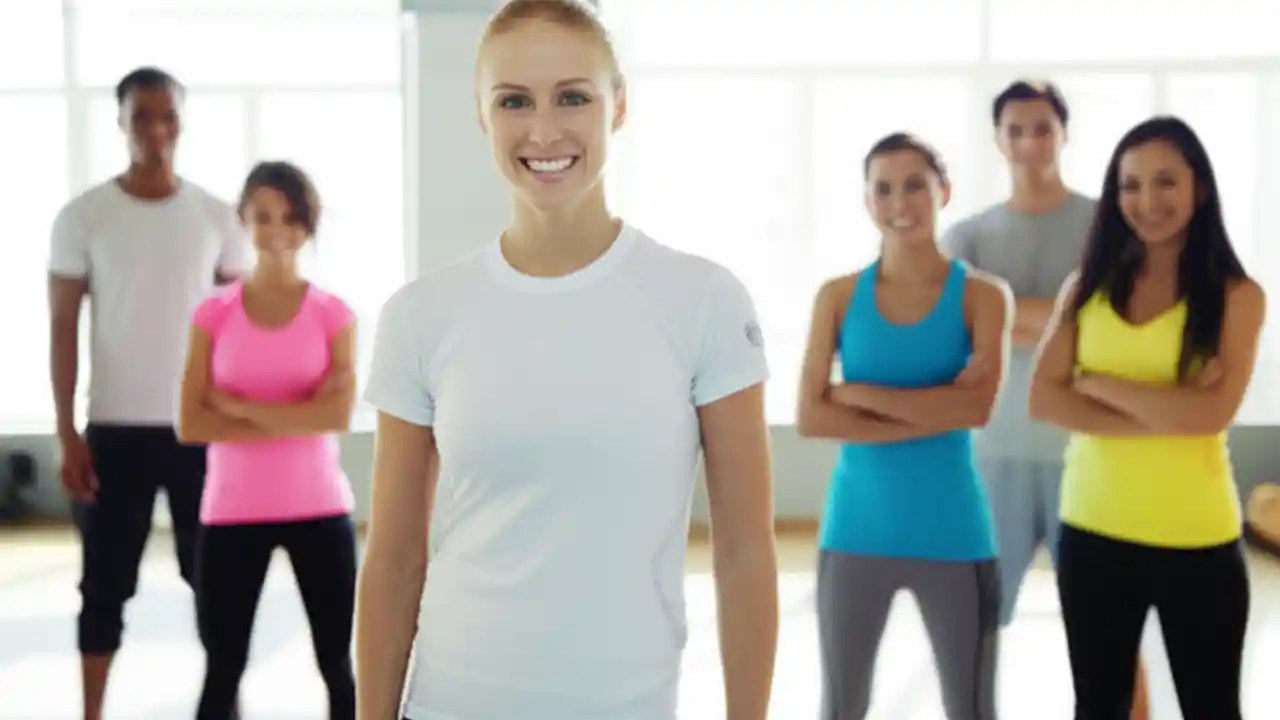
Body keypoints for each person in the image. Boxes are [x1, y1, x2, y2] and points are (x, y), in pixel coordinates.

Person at [354, 1, 779, 719]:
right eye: (514, 100)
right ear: (482, 115)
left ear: (619, 107)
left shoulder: (702, 301)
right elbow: (393, 563)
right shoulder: (421, 316)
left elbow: (744, 556)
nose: (544, 131)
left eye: (573, 97)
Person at [1029, 115, 1264, 720]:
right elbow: (1044, 400)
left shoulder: (1239, 296)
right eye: (1130, 185)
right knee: (1098, 708)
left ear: (1200, 189)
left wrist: (1096, 382)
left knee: (1212, 708)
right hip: (1092, 531)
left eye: (1165, 182)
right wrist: (1172, 410)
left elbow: (1213, 412)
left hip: (1198, 538)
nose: (1147, 201)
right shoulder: (1085, 287)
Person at [46, 66, 252, 720]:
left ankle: (226, 704)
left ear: (182, 123)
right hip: (113, 430)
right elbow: (62, 324)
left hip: (199, 431)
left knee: (213, 580)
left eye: (168, 117)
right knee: (104, 586)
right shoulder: (83, 217)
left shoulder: (218, 217)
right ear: (122, 122)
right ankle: (92, 712)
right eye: (143, 117)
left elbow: (241, 332)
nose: (157, 131)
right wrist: (66, 432)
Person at [941, 79, 1149, 718]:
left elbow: (1114, 322)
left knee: (1112, 627)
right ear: (997, 139)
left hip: (1089, 456)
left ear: (1064, 133)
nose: (1029, 141)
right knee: (974, 621)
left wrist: (1003, 308)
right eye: (1015, 129)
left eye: (1042, 128)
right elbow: (957, 324)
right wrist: (1066, 315)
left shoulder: (1107, 225)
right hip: (995, 452)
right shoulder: (969, 234)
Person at [797, 132, 1013, 720]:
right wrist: (932, 409)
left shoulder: (984, 298)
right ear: (867, 201)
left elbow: (975, 411)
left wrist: (859, 395)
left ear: (945, 191)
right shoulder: (837, 297)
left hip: (956, 535)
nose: (900, 202)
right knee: (841, 708)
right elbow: (812, 417)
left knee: (972, 710)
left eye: (916, 185)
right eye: (883, 188)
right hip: (854, 531)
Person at [177, 161, 358, 719]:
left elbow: (336, 414)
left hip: (320, 510)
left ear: (308, 225)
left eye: (290, 217)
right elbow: (191, 424)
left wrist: (233, 405)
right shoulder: (213, 314)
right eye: (262, 216)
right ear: (243, 221)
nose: (276, 229)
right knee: (223, 669)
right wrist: (296, 413)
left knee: (337, 666)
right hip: (231, 515)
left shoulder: (333, 314)